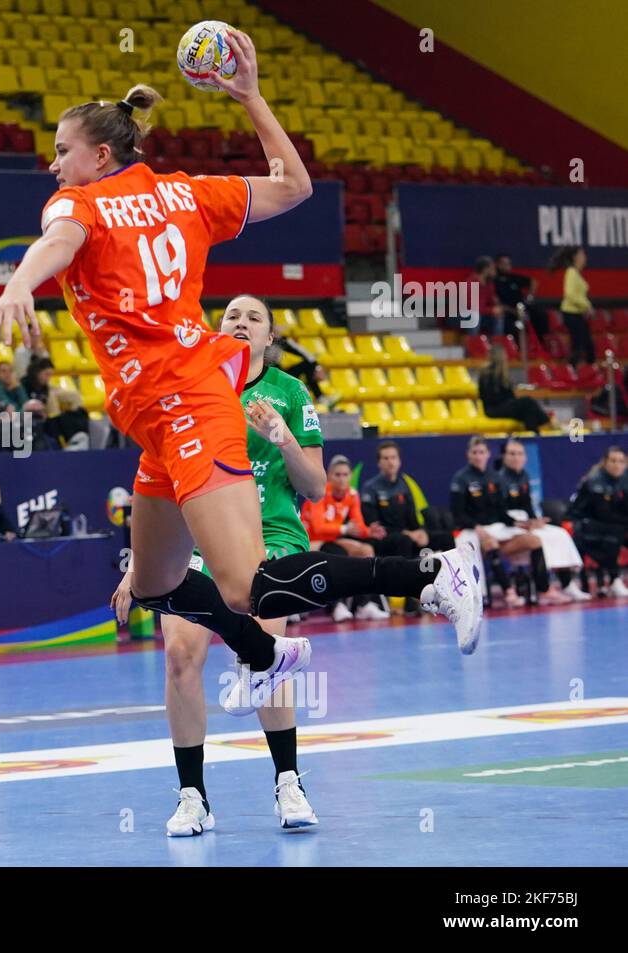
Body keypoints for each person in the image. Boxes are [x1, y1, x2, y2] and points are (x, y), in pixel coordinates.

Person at [0, 49, 482, 778]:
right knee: (153, 586)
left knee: (246, 587)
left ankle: (433, 574)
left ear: (99, 154)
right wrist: (249, 97)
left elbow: (58, 241)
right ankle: (267, 655)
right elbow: (296, 186)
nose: (53, 165)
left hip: (189, 402)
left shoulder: (76, 204)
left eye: (62, 152)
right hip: (163, 411)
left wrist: (20, 284)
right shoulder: (186, 193)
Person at [110, 292, 328, 834]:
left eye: (255, 318)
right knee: (180, 654)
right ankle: (192, 796)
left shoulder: (290, 392)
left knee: (261, 646)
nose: (242, 323)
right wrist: (142, 566)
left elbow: (317, 487)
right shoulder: (189, 388)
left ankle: (288, 782)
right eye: (232, 315)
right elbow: (158, 485)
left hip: (270, 534)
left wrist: (282, 439)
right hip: (197, 540)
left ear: (269, 338)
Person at [449, 436, 568, 608]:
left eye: (482, 452)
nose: (478, 456)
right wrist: (476, 527)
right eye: (474, 452)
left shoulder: (494, 477)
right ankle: (508, 591)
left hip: (496, 528)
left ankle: (544, 589)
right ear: (468, 455)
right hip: (472, 530)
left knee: (534, 540)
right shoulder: (461, 478)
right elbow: (457, 513)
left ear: (488, 454)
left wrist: (519, 524)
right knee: (490, 543)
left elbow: (500, 511)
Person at [495, 438, 589, 601]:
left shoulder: (524, 476)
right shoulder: (498, 479)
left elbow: (527, 505)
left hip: (525, 522)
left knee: (559, 533)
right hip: (507, 525)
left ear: (525, 457)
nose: (516, 457)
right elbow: (498, 510)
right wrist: (521, 524)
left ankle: (567, 584)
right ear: (504, 457)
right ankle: (544, 588)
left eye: (519, 454)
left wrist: (534, 520)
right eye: (512, 454)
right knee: (541, 538)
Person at [301, 454, 387, 622]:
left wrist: (369, 532)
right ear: (329, 476)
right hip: (311, 541)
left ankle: (364, 604)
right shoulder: (320, 493)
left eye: (345, 475)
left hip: (331, 539)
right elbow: (318, 528)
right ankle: (337, 606)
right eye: (337, 475)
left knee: (366, 550)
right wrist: (344, 528)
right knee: (336, 553)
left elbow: (358, 526)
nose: (342, 479)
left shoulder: (352, 495)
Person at [360, 441, 455, 560]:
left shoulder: (404, 485)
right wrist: (407, 533)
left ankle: (452, 576)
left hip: (409, 535)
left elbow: (412, 518)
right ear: (379, 463)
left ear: (399, 461)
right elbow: (373, 525)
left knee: (446, 538)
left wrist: (421, 532)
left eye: (393, 457)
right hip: (385, 538)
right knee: (404, 541)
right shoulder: (370, 488)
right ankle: (405, 577)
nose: (390, 462)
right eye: (386, 458)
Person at [567, 446, 628, 598]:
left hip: (611, 524)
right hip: (585, 525)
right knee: (617, 531)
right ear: (605, 463)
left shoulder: (624, 481)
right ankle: (614, 580)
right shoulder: (594, 481)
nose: (617, 465)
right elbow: (604, 514)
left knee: (618, 529)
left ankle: (614, 580)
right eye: (613, 461)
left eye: (621, 461)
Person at [478, 345, 550, 433]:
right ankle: (545, 422)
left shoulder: (501, 374)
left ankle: (533, 434)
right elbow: (491, 398)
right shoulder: (488, 375)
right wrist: (512, 402)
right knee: (527, 401)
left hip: (501, 406)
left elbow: (509, 396)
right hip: (493, 409)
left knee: (527, 411)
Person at [551, 246, 595, 367]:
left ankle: (591, 373)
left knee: (587, 345)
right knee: (579, 346)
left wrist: (586, 307)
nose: (585, 257)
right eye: (582, 254)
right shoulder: (571, 272)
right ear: (576, 257)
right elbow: (570, 294)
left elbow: (579, 295)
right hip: (571, 314)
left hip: (578, 314)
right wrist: (587, 305)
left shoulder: (575, 273)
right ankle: (571, 371)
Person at [494, 253, 541, 343]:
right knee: (511, 325)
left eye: (508, 264)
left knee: (540, 315)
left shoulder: (514, 278)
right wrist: (512, 311)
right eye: (504, 264)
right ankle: (515, 348)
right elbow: (496, 302)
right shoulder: (494, 281)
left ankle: (540, 343)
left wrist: (529, 298)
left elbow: (534, 282)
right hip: (508, 312)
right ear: (498, 265)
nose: (507, 266)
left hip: (522, 308)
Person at [471, 256, 502, 338]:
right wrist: (491, 310)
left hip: (481, 314)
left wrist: (496, 306)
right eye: (493, 268)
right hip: (461, 316)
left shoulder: (489, 283)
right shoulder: (471, 283)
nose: (495, 271)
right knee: (474, 316)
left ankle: (496, 345)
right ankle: (473, 346)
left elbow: (493, 301)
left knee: (498, 316)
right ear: (485, 269)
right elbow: (473, 308)